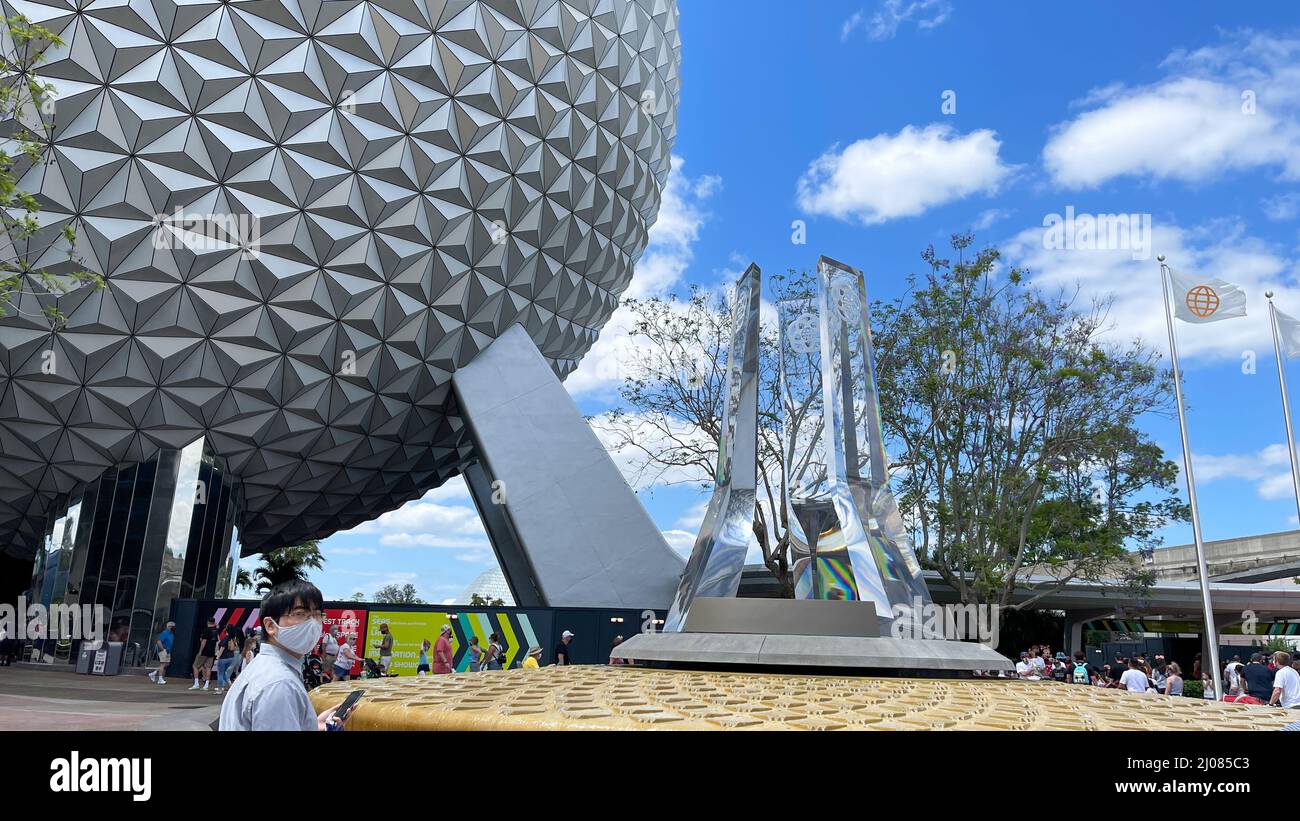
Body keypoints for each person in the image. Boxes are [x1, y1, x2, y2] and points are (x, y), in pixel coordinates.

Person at [219, 580, 348, 731]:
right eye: (300, 614)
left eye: (317, 615)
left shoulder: (265, 668)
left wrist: (311, 725)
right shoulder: (280, 684)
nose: (312, 623)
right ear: (270, 626)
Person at [190, 616, 219, 691]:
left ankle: (196, 683)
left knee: (195, 666)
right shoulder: (215, 631)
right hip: (211, 652)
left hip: (204, 651)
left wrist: (200, 651)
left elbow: (204, 641)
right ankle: (206, 685)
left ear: (208, 622)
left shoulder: (206, 630)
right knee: (208, 667)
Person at [214, 626, 242, 693]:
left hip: (223, 658)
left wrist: (217, 657)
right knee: (225, 674)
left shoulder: (226, 638)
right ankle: (232, 687)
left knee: (220, 674)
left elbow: (222, 648)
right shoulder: (233, 638)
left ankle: (220, 690)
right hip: (231, 657)